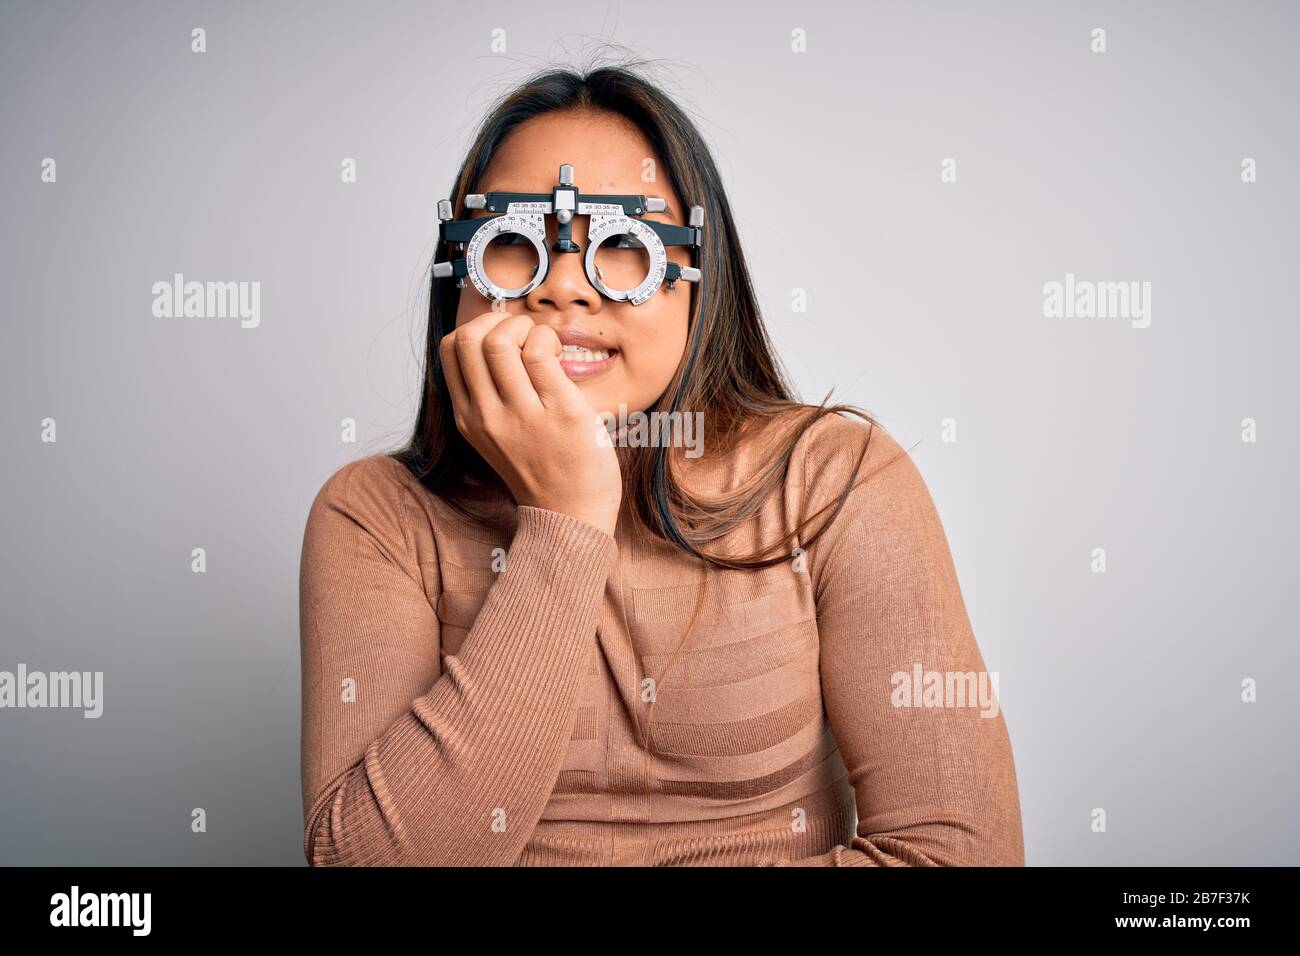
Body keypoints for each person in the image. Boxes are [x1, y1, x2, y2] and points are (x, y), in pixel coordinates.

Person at [298, 63, 1025, 866]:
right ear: (457, 270)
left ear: (699, 280)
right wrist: (565, 521)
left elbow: (962, 855)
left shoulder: (831, 480)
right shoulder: (377, 514)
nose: (565, 289)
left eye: (623, 245)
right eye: (511, 242)